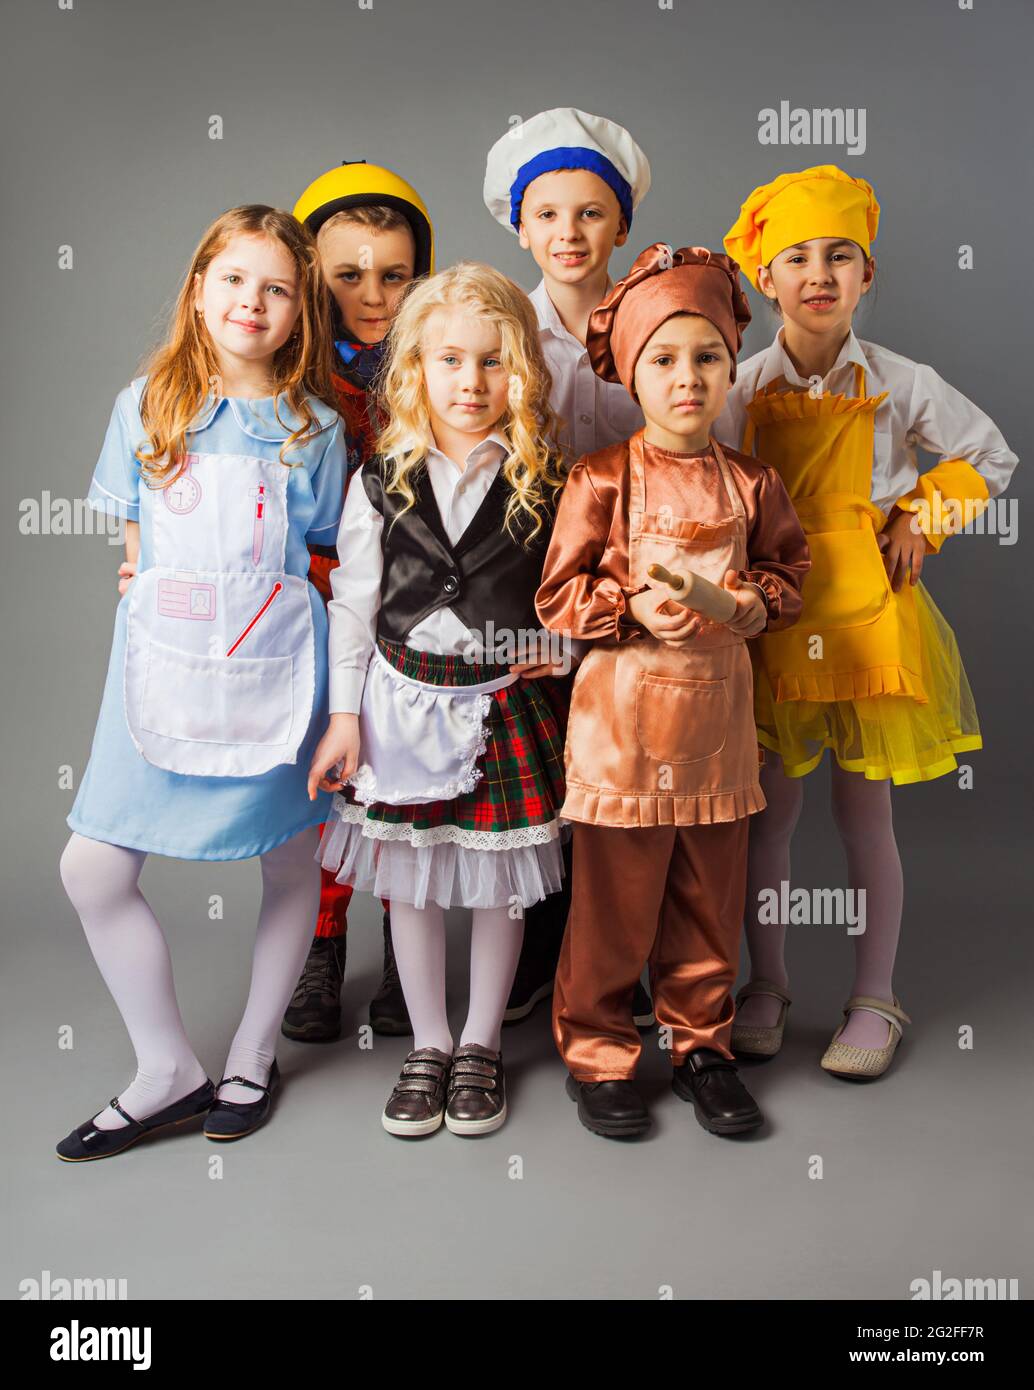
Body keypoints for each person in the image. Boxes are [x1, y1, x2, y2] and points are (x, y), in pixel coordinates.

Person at [57, 206, 348, 1159]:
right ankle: (166, 1068)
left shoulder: (316, 430)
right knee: (92, 868)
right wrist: (150, 577)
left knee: (292, 862)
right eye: (234, 280)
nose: (252, 303)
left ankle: (253, 1056)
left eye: (277, 289)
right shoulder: (145, 405)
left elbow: (323, 558)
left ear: (301, 312)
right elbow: (136, 538)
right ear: (198, 288)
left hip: (274, 670)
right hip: (159, 672)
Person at [718, 165, 1019, 1078]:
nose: (819, 273)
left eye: (840, 256)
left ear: (867, 276)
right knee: (766, 816)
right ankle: (764, 982)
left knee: (866, 814)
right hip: (776, 623)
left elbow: (990, 455)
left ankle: (875, 994)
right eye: (796, 257)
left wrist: (919, 514)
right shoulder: (738, 384)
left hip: (873, 622)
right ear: (765, 280)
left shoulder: (900, 380)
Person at [536, 244, 810, 1139]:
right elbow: (558, 596)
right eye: (663, 359)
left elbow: (787, 576)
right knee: (614, 908)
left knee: (706, 900)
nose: (687, 378)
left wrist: (744, 602)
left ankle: (702, 1046)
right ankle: (599, 1051)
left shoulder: (752, 480)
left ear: (734, 366)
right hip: (624, 731)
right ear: (628, 374)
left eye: (707, 358)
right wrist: (636, 608)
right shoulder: (601, 479)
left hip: (718, 728)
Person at [308, 263, 571, 1137]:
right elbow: (353, 599)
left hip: (500, 702)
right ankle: (426, 1043)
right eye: (449, 360)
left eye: (492, 362)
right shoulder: (381, 475)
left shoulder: (549, 476)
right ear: (416, 368)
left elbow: (576, 595)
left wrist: (559, 649)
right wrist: (345, 716)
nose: (471, 381)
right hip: (399, 703)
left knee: (499, 885)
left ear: (521, 371)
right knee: (412, 887)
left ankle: (481, 1045)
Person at [483, 106, 655, 1025]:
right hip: (528, 592)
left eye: (591, 213)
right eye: (547, 215)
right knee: (540, 774)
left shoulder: (654, 324)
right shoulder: (503, 332)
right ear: (520, 226)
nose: (569, 234)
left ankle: (629, 967)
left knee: (626, 778)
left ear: (620, 226)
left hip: (639, 598)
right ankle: (537, 956)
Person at [283, 160, 435, 1042]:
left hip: (415, 606)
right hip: (314, 602)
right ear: (311, 277)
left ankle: (396, 939)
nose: (374, 296)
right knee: (321, 774)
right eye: (348, 276)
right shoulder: (290, 375)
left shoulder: (438, 365)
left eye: (395, 274)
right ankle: (321, 940)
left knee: (402, 774)